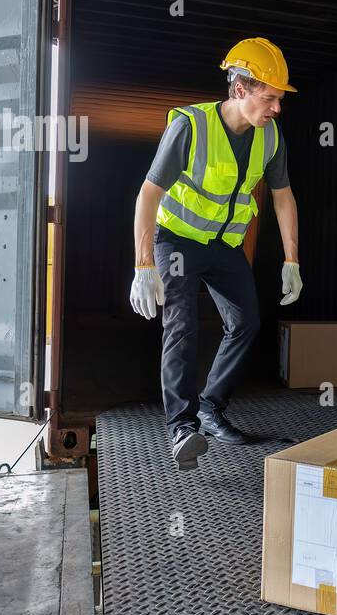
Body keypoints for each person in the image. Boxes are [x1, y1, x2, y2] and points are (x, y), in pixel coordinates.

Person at [128, 37, 303, 467]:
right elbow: (149, 194)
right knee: (182, 326)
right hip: (177, 240)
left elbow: (283, 196)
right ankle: (182, 428)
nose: (277, 108)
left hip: (224, 245)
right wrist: (143, 264)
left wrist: (292, 259)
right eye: (270, 98)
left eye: (280, 100)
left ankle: (210, 407)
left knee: (246, 323)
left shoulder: (270, 135)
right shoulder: (191, 126)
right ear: (240, 89)